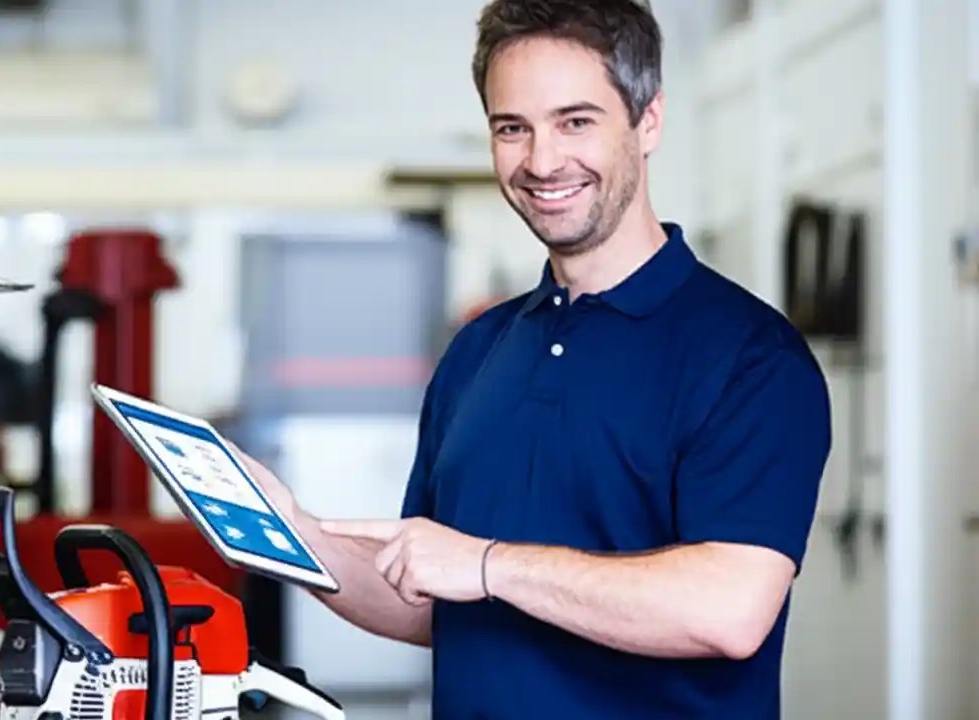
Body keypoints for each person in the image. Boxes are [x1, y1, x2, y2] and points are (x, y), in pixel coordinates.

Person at [235, 0, 832, 717]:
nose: (542, 161)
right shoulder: (478, 352)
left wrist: (488, 565)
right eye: (511, 128)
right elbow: (427, 604)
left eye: (575, 121)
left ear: (648, 122)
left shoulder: (749, 356)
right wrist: (285, 531)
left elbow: (727, 609)